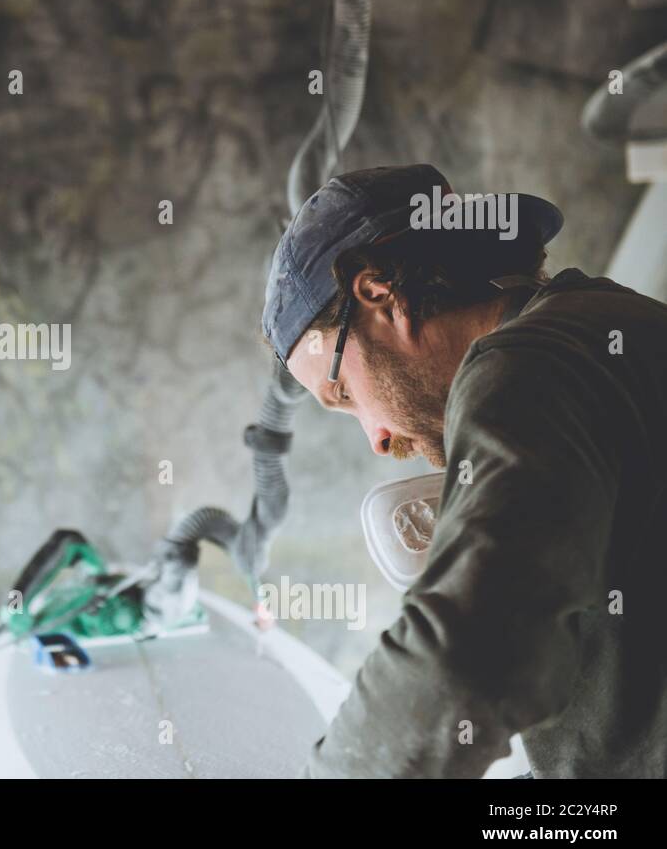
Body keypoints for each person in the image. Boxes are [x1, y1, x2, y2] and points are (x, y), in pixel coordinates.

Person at [261, 164, 667, 777]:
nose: (376, 437)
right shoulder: (609, 322)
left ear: (377, 293)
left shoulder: (530, 368)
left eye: (344, 390)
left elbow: (464, 657)